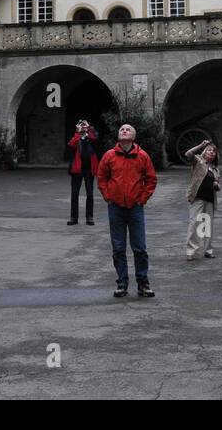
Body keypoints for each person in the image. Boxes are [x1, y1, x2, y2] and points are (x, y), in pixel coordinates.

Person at [97, 123, 158, 298]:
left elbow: (151, 179)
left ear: (133, 136)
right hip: (115, 207)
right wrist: (108, 196)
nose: (124, 130)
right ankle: (122, 283)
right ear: (118, 136)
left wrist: (142, 199)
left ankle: (143, 283)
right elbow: (102, 177)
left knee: (139, 248)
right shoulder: (109, 156)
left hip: (135, 208)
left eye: (128, 129)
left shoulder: (142, 156)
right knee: (118, 248)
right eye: (121, 129)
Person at [64, 119, 99, 226]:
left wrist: (89, 128)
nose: (83, 127)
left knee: (90, 193)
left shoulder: (91, 136)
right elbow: (71, 146)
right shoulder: (76, 137)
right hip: (77, 169)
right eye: (81, 125)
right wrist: (78, 133)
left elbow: (96, 141)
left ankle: (89, 217)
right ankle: (74, 218)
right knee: (74, 194)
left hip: (89, 169)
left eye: (84, 125)